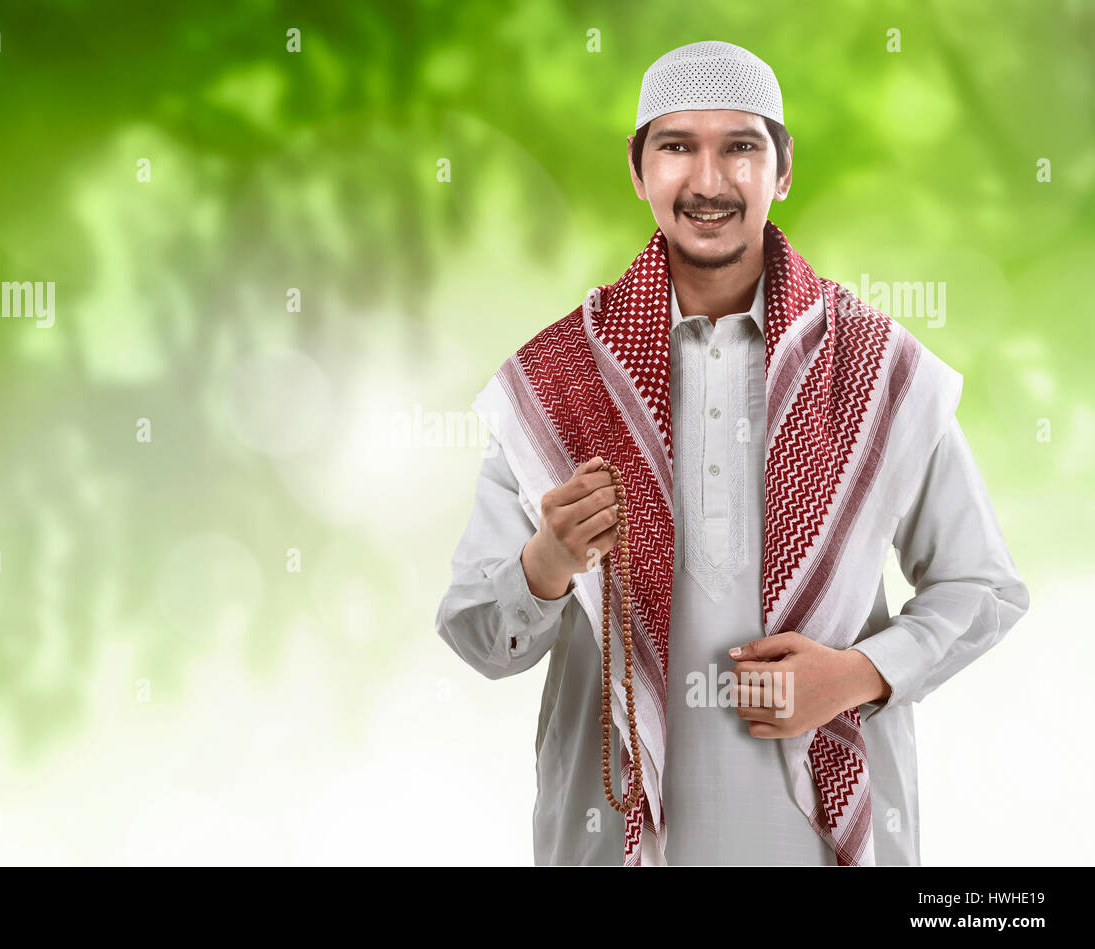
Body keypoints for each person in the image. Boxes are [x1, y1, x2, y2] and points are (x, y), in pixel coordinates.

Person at [433, 40, 1029, 866]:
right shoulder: (558, 383)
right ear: (637, 168)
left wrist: (857, 674)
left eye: (740, 146)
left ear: (782, 169)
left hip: (819, 841)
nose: (708, 181)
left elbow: (983, 586)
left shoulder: (875, 370)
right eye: (677, 146)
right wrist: (548, 563)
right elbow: (476, 633)